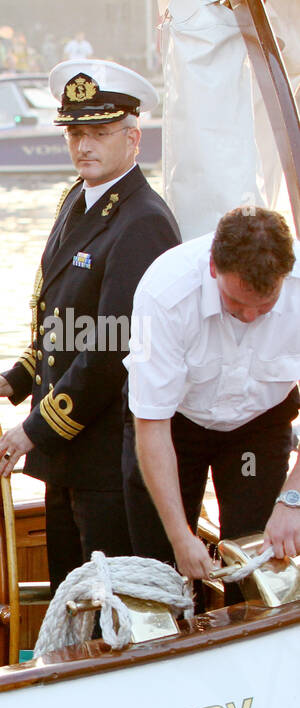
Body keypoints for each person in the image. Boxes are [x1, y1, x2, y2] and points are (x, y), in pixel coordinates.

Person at [0, 59, 180, 594]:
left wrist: (34, 429)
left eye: (100, 132)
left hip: (109, 462)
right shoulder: (76, 199)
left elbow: (111, 349)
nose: (84, 145)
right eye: (76, 132)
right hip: (67, 458)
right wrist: (18, 378)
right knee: (71, 603)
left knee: (110, 609)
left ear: (133, 138)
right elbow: (61, 319)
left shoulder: (143, 220)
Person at [124, 206, 300, 587]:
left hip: (258, 429)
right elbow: (152, 426)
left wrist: (292, 500)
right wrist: (180, 537)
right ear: (213, 269)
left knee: (260, 560)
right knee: (158, 567)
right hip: (174, 427)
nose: (251, 317)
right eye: (236, 303)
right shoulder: (164, 293)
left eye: (265, 304)